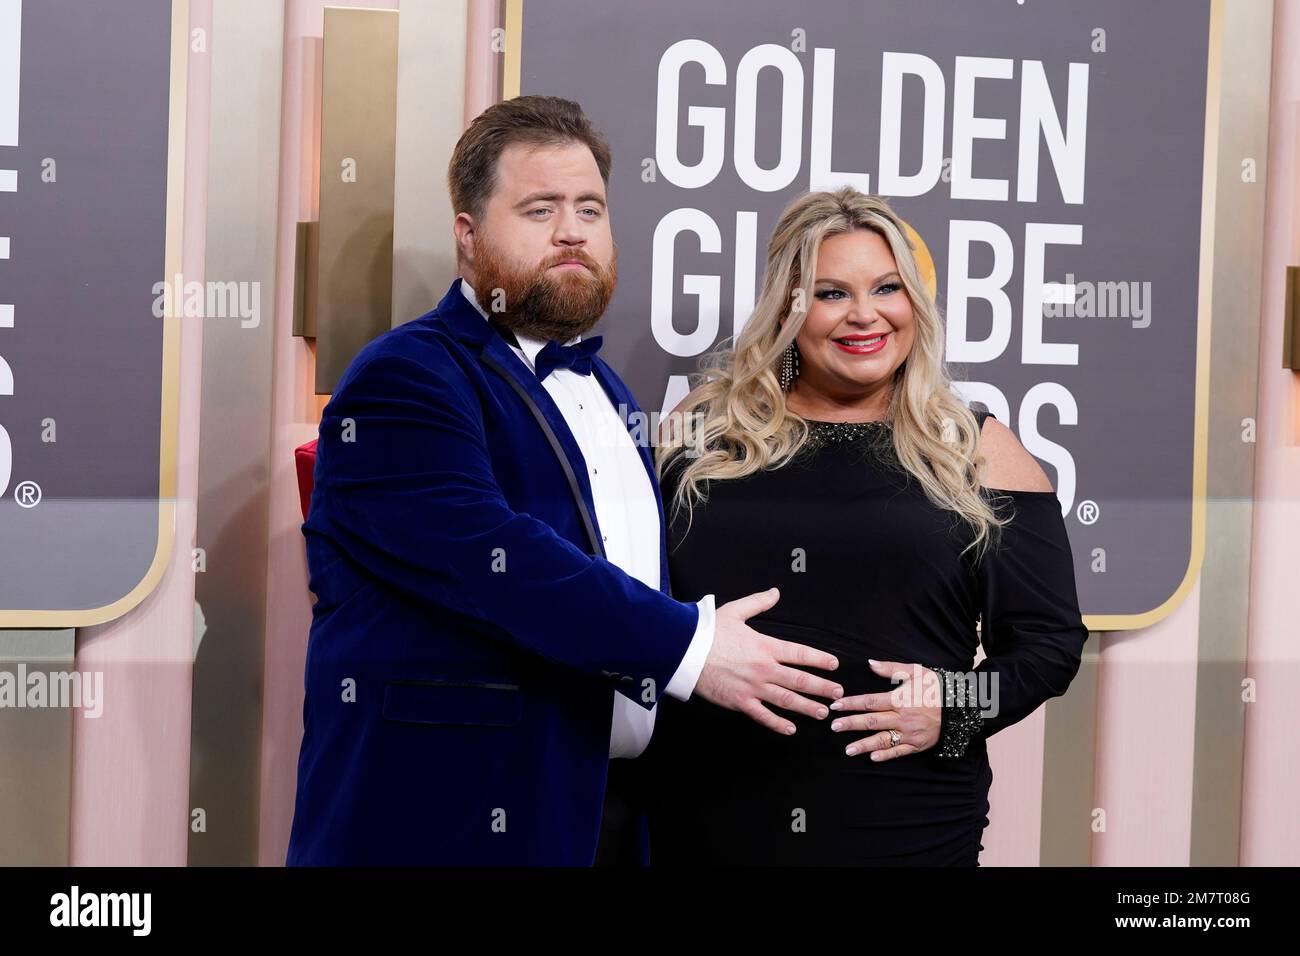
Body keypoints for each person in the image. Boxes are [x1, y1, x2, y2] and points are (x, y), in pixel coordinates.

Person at [285, 96, 843, 866]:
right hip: (447, 821)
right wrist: (691, 646)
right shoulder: (404, 378)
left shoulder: (609, 392)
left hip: (599, 816)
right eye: (539, 208)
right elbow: (497, 561)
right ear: (467, 234)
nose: (572, 230)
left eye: (590, 208)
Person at [644, 187, 1090, 866]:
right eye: (830, 293)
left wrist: (958, 707)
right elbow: (627, 603)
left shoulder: (976, 447)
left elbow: (1050, 642)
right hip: (701, 825)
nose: (864, 315)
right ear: (788, 309)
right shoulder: (699, 436)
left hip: (906, 831)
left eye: (887, 287)